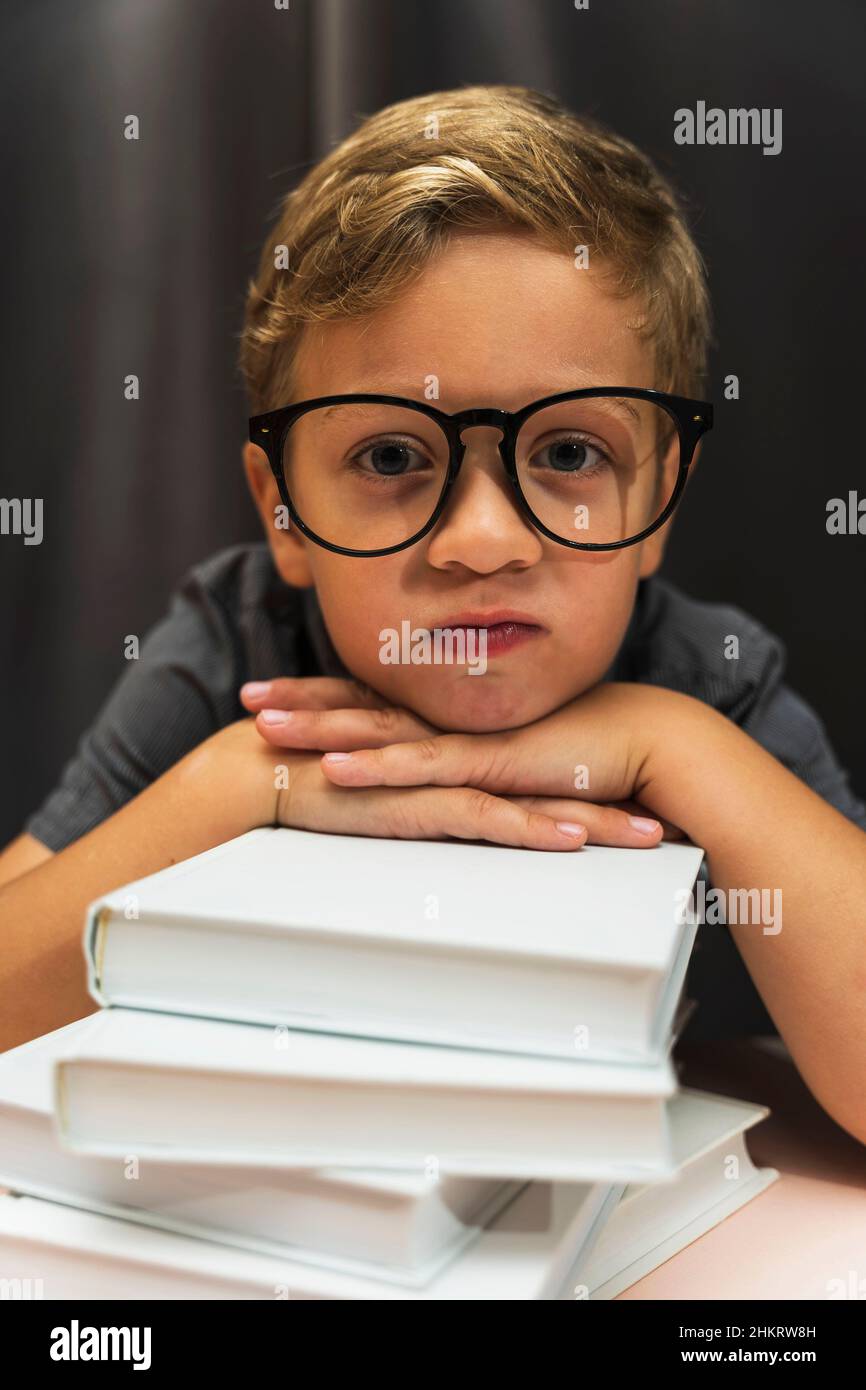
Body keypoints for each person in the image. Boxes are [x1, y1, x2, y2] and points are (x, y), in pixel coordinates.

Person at [2, 86, 864, 1150]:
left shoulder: (709, 684)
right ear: (283, 511)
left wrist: (674, 744)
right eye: (392, 458)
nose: (483, 540)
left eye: (566, 454)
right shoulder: (238, 647)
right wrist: (238, 785)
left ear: (657, 503)